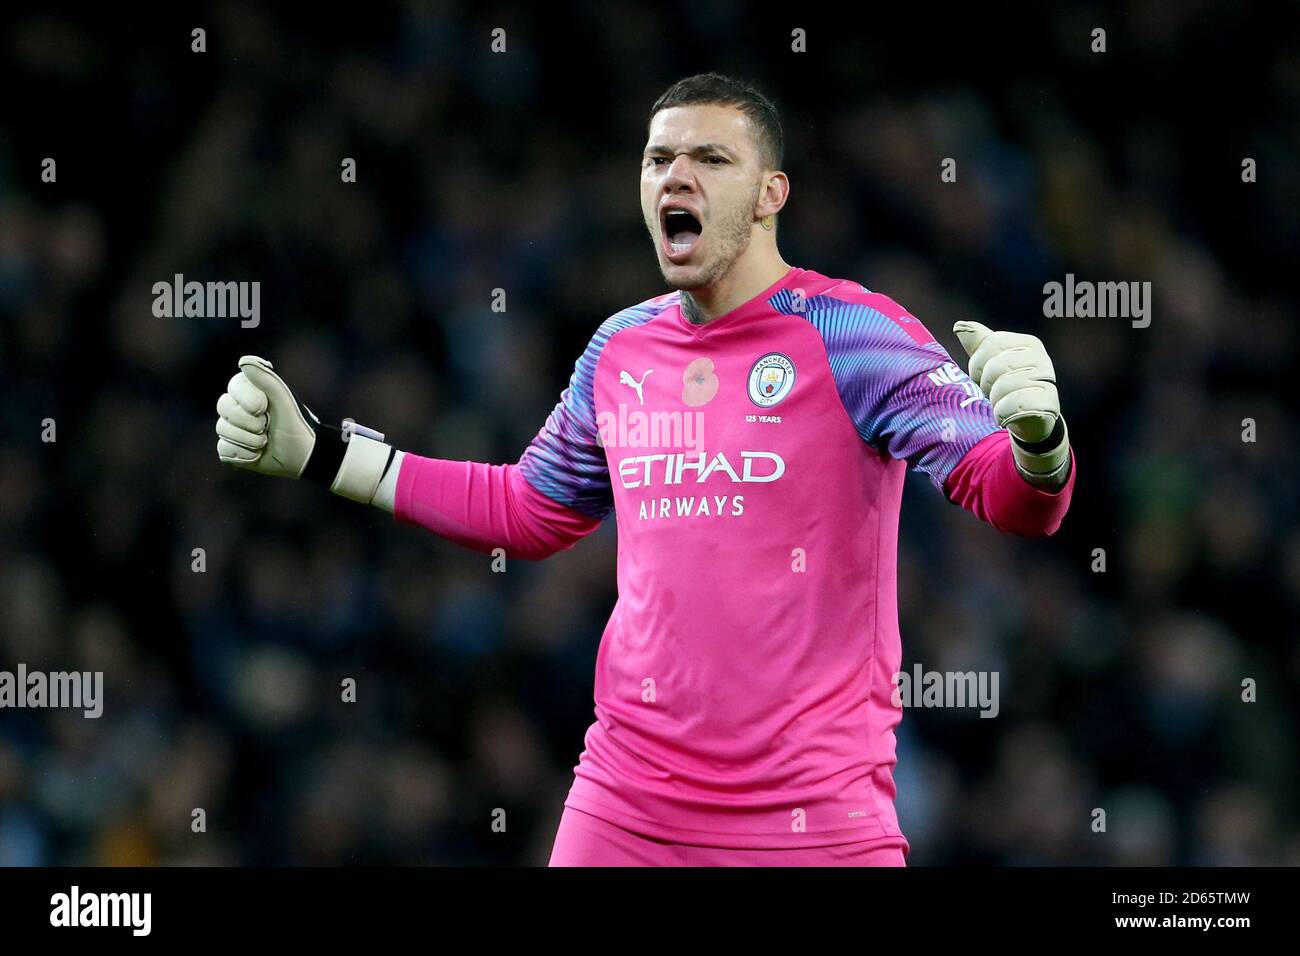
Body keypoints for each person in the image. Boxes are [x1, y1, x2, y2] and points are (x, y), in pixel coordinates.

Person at [215, 73, 1075, 866]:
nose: (677, 178)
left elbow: (1015, 501)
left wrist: (1041, 444)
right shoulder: (619, 348)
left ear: (772, 193)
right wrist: (328, 453)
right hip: (627, 805)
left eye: (710, 158)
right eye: (659, 158)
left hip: (814, 820)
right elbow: (528, 509)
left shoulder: (853, 333)